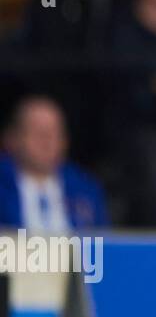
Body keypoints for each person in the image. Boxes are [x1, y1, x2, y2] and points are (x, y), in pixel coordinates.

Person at [0, 96, 107, 231]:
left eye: (55, 133)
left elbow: (103, 244)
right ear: (13, 138)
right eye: (38, 133)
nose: (47, 141)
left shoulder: (86, 189)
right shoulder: (3, 187)